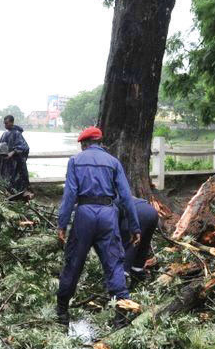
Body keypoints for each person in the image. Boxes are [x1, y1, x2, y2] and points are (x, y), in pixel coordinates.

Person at [56, 126, 140, 328]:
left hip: (84, 215)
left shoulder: (75, 161)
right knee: (114, 265)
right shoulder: (113, 162)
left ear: (84, 144)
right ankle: (121, 315)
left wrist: (62, 224)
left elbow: (69, 196)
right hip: (108, 216)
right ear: (100, 143)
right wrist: (135, 227)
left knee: (73, 263)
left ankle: (62, 313)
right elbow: (127, 197)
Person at [119, 196, 159, 288]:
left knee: (128, 247)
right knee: (143, 245)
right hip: (152, 212)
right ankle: (138, 277)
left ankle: (119, 284)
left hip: (137, 213)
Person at [0, 115, 30, 193]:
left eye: (7, 123)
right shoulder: (5, 133)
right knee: (5, 179)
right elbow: (1, 143)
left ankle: (18, 194)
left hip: (15, 162)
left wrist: (13, 152)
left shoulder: (17, 133)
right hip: (6, 162)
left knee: (16, 180)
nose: (5, 125)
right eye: (4, 123)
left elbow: (25, 147)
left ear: (12, 122)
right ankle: (7, 194)